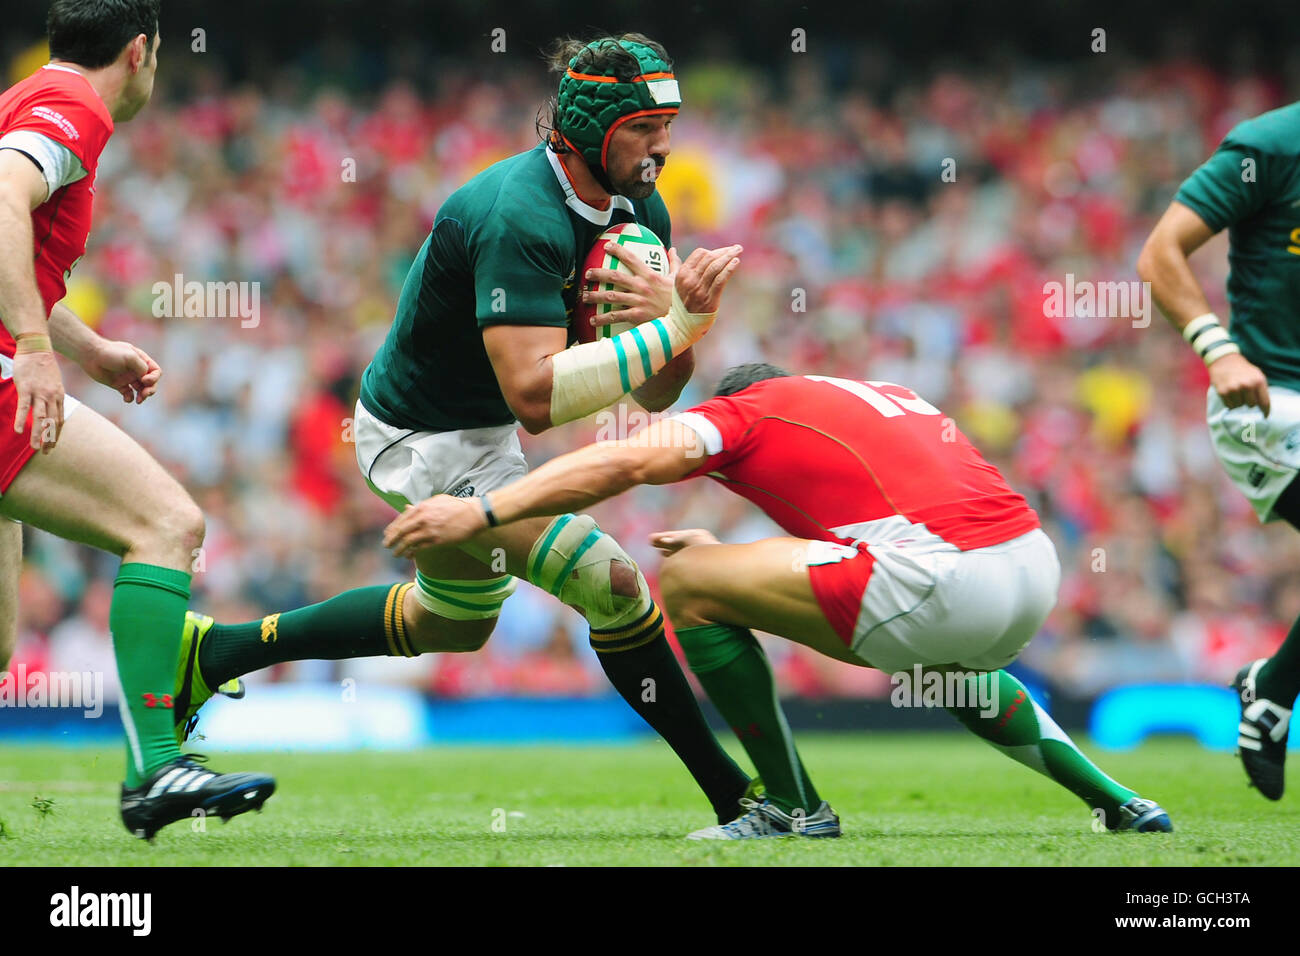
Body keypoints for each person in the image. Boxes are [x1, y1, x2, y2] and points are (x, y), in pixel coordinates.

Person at [175, 33, 756, 824]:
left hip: (476, 435)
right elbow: (535, 398)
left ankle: (214, 653)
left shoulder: (638, 208)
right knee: (613, 584)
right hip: (417, 436)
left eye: (669, 124)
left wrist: (674, 332)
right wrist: (676, 323)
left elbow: (657, 391)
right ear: (594, 126)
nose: (664, 146)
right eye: (646, 126)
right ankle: (737, 797)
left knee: (450, 622)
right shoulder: (517, 213)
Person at [383, 364, 1174, 838]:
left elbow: (622, 462)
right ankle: (1119, 802)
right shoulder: (878, 391)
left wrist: (484, 512)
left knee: (689, 586)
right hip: (1029, 567)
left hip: (939, 577)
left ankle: (793, 809)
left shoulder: (746, 409)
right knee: (950, 666)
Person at [0, 0, 273, 840]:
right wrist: (38, 348)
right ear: (141, 51)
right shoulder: (76, 106)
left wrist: (80, 347)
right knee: (166, 523)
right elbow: (2, 200)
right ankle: (158, 767)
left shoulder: (20, 97)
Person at [1137, 101, 1300, 801]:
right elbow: (1159, 251)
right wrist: (1218, 350)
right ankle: (1274, 689)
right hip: (1266, 399)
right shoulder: (1270, 143)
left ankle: (1271, 692)